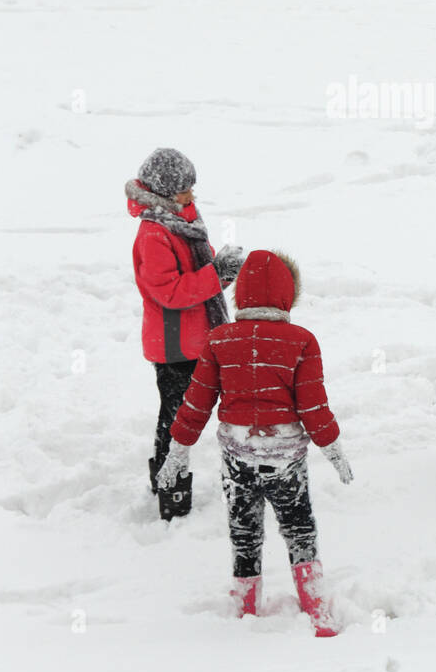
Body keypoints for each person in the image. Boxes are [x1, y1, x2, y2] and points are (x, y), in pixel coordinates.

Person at [156, 248, 352, 637]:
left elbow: (196, 402)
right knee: (299, 529)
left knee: (244, 531)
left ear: (240, 294)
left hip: (238, 457)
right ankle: (314, 606)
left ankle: (246, 608)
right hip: (285, 459)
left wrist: (178, 448)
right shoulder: (301, 341)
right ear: (287, 294)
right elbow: (313, 406)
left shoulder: (218, 340)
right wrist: (333, 449)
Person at [126, 148, 243, 520]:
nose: (191, 197)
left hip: (203, 340)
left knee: (207, 412)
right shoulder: (153, 234)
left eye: (192, 189)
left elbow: (203, 282)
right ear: (163, 192)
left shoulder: (186, 223)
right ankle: (170, 491)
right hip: (174, 347)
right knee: (178, 422)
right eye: (183, 192)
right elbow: (170, 293)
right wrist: (214, 274)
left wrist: (223, 271)